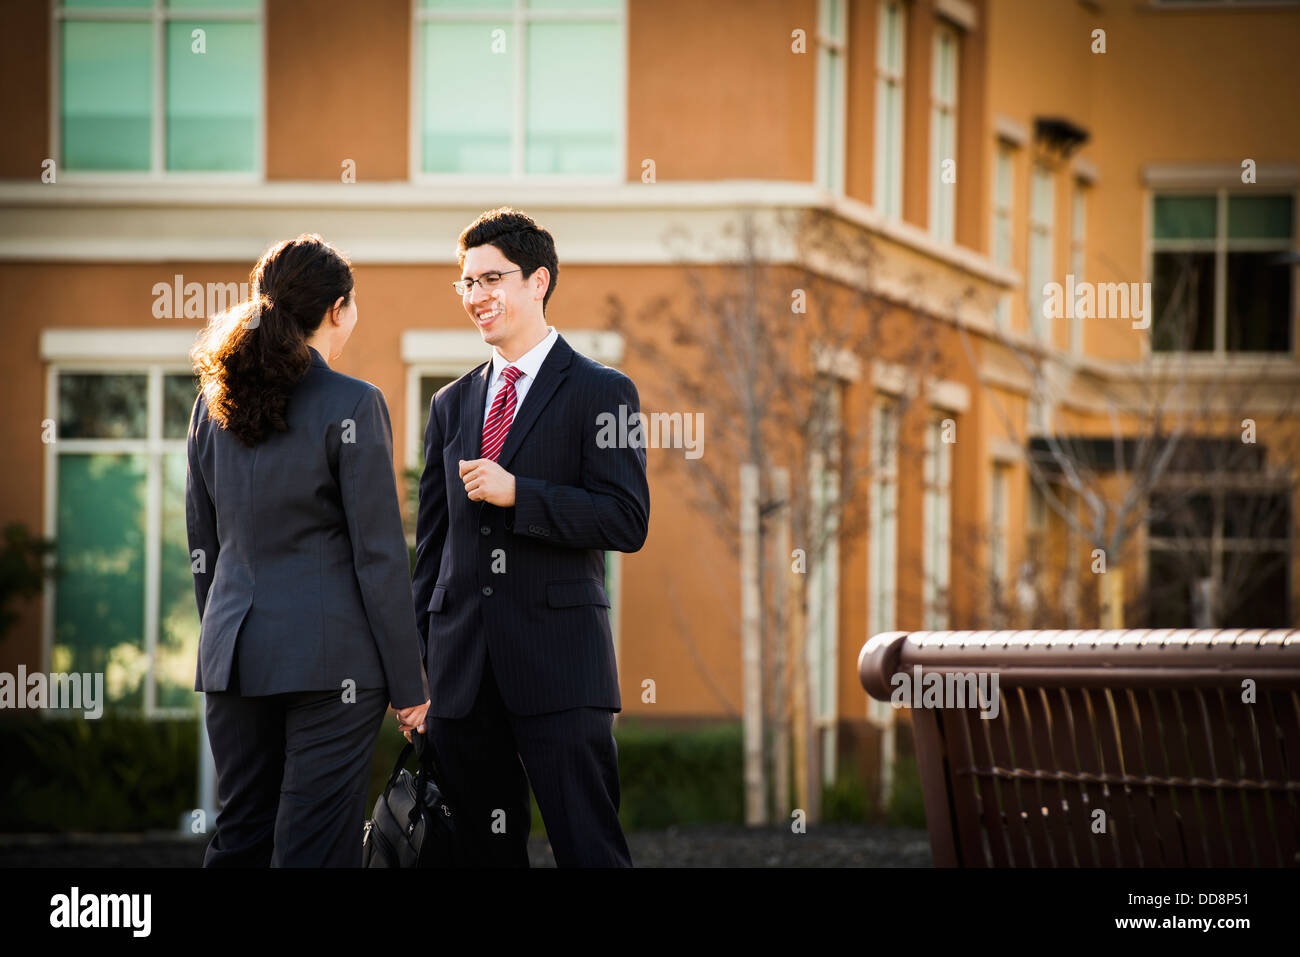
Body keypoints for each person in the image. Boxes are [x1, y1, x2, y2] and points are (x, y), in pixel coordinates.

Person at [411, 207, 650, 867]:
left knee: (590, 851)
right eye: (466, 283)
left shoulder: (607, 392)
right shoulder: (450, 404)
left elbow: (627, 519)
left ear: (538, 280)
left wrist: (523, 495)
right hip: (462, 680)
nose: (476, 296)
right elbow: (431, 552)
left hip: (561, 669)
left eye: (491, 278)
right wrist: (418, 671)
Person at [187, 234, 429, 867]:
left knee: (239, 835)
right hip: (333, 667)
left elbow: (203, 550)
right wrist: (411, 687)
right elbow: (378, 557)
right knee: (313, 847)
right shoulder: (355, 402)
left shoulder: (210, 407)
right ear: (337, 309)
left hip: (234, 657)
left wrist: (220, 644)